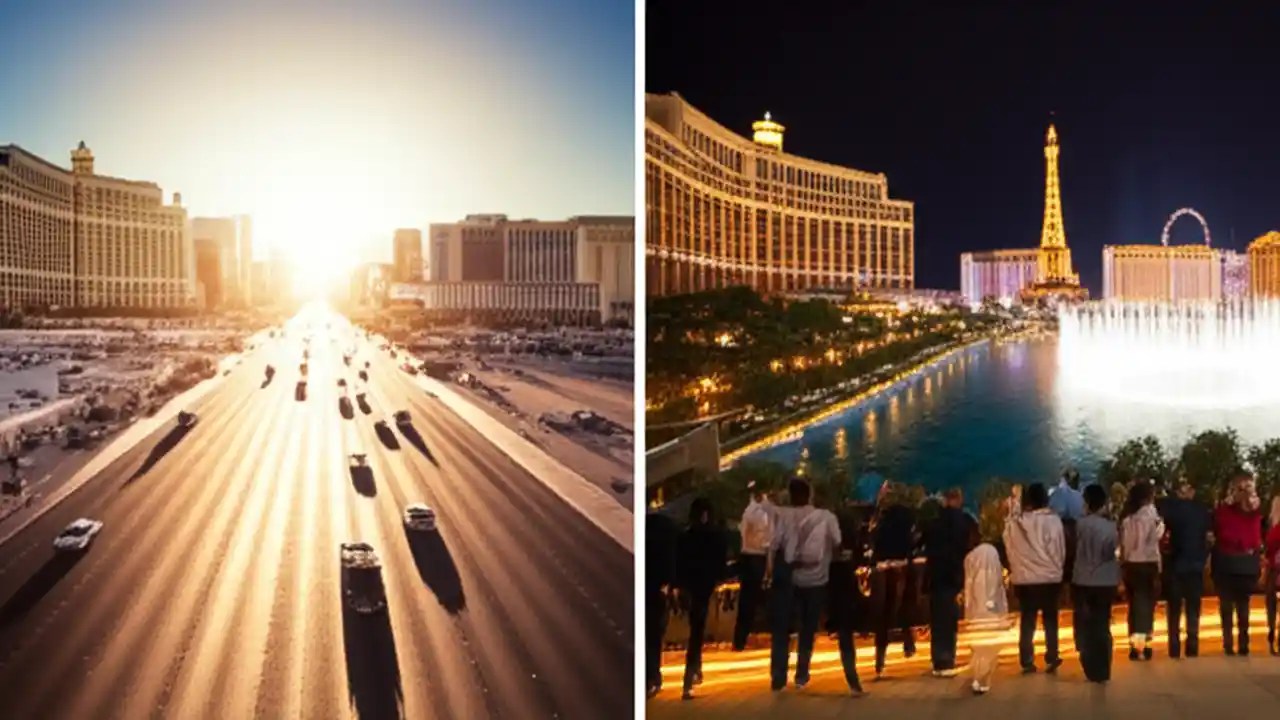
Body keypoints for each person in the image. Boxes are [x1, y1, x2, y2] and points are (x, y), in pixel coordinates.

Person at [766, 478, 841, 691]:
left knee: (782, 628)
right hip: (817, 581)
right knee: (808, 628)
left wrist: (770, 572)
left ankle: (778, 676)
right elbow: (837, 546)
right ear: (810, 495)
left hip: (790, 580)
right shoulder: (827, 517)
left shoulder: (783, 516)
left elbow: (774, 546)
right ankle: (801, 674)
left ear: (790, 495)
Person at [1003, 482, 1065, 673]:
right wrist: (1057, 569)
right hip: (1049, 577)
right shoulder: (1053, 521)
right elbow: (1059, 549)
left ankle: (1027, 659)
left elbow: (1008, 537)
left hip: (1025, 579)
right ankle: (1052, 655)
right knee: (1050, 619)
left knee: (1028, 619)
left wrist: (1014, 500)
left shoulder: (1017, 523)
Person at [676, 498, 726, 699]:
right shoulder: (715, 536)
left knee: (695, 628)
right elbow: (719, 562)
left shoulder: (685, 536)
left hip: (689, 587)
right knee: (697, 631)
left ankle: (695, 669)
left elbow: (678, 562)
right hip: (704, 587)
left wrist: (678, 585)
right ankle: (689, 677)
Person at [923, 488, 976, 677]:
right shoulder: (966, 521)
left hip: (936, 574)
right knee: (951, 616)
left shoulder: (934, 523)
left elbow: (924, 543)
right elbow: (971, 545)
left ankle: (938, 657)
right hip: (955, 574)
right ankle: (948, 656)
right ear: (959, 500)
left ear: (946, 500)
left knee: (937, 617)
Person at [1213, 471, 1264, 656]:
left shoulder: (1253, 510)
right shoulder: (1225, 510)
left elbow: (1254, 507)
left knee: (1241, 606)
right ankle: (1231, 643)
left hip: (1241, 562)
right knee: (1230, 606)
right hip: (1230, 562)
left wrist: (1245, 494)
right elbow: (1220, 528)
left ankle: (1241, 643)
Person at [870, 482, 918, 678]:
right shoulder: (908, 515)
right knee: (906, 603)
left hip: (883, 566)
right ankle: (908, 641)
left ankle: (880, 659)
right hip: (902, 563)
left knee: (885, 613)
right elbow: (913, 539)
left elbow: (873, 536)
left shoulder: (881, 517)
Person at [1160, 477, 1212, 658]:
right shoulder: (1201, 511)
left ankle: (1174, 645)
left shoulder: (1169, 510)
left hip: (1175, 564)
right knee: (1193, 607)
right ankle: (1192, 644)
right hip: (1195, 564)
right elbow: (1208, 538)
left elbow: (1163, 536)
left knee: (1174, 608)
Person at [1073, 483, 1120, 682]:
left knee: (1085, 624)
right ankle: (1103, 668)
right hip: (1105, 580)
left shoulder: (1079, 524)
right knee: (1102, 624)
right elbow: (1112, 552)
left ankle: (1089, 665)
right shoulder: (1110, 527)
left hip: (1082, 579)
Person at [961, 533, 1015, 695]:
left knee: (979, 646)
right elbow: (999, 582)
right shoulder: (993, 555)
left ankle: (979, 676)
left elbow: (968, 582)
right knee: (990, 646)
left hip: (976, 609)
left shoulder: (970, 557)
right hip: (993, 609)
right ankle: (983, 678)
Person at [1119, 481, 1163, 660]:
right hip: (1149, 563)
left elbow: (1124, 546)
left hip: (1131, 565)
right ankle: (1144, 645)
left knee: (1134, 606)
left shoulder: (1127, 519)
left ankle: (1134, 645)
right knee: (1146, 607)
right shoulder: (1154, 517)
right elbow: (1159, 536)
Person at [733, 482, 773, 651]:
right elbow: (769, 541)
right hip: (758, 557)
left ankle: (740, 639)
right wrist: (769, 567)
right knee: (761, 599)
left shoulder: (747, 512)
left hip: (747, 556)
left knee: (747, 600)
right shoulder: (762, 513)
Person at [645, 510, 679, 698]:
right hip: (659, 589)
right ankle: (653, 676)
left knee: (650, 634)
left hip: (650, 587)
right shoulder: (666, 529)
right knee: (655, 635)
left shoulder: (652, 528)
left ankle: (650, 676)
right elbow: (671, 561)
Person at [1265, 496, 1280, 656]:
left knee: (1271, 607)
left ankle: (1271, 636)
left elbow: (1269, 551)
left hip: (1274, 572)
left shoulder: (1273, 531)